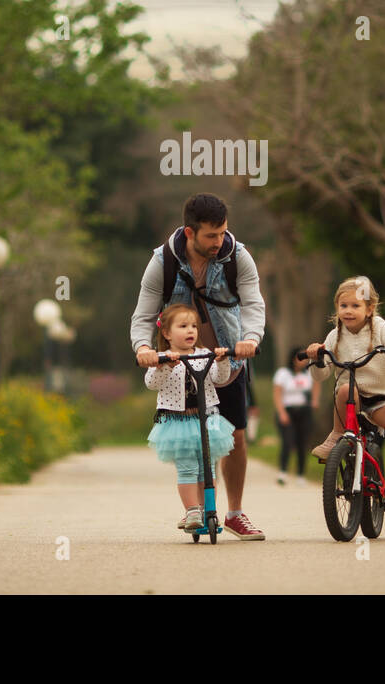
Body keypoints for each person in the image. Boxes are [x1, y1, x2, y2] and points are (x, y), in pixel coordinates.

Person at [131, 193, 267, 539]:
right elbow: (144, 314)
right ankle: (195, 509)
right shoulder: (163, 262)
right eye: (210, 235)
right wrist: (144, 347)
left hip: (226, 358)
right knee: (191, 439)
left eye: (222, 233)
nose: (218, 242)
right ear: (190, 232)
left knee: (235, 436)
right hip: (180, 366)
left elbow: (253, 303)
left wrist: (250, 338)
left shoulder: (238, 256)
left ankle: (234, 512)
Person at [303, 275, 385, 520]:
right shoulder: (335, 336)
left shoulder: (380, 328)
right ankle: (336, 435)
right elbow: (320, 376)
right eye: (343, 306)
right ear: (337, 309)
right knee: (344, 389)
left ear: (369, 309)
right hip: (349, 399)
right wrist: (317, 356)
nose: (349, 311)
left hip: (379, 399)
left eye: (355, 306)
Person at [144, 303, 237, 532]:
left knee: (209, 468)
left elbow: (219, 378)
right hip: (178, 421)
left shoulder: (204, 354)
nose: (190, 331)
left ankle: (209, 510)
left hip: (207, 418)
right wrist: (164, 365)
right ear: (167, 333)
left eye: (194, 326)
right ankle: (192, 511)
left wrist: (222, 361)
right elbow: (151, 383)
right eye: (183, 326)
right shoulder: (162, 357)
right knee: (187, 467)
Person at [274, 346, 320, 485]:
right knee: (287, 441)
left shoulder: (309, 373)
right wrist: (281, 413)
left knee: (302, 443)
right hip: (288, 411)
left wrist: (315, 400)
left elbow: (317, 384)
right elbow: (277, 394)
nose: (303, 361)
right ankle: (283, 472)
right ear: (293, 359)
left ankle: (301, 474)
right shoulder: (283, 373)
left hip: (304, 411)